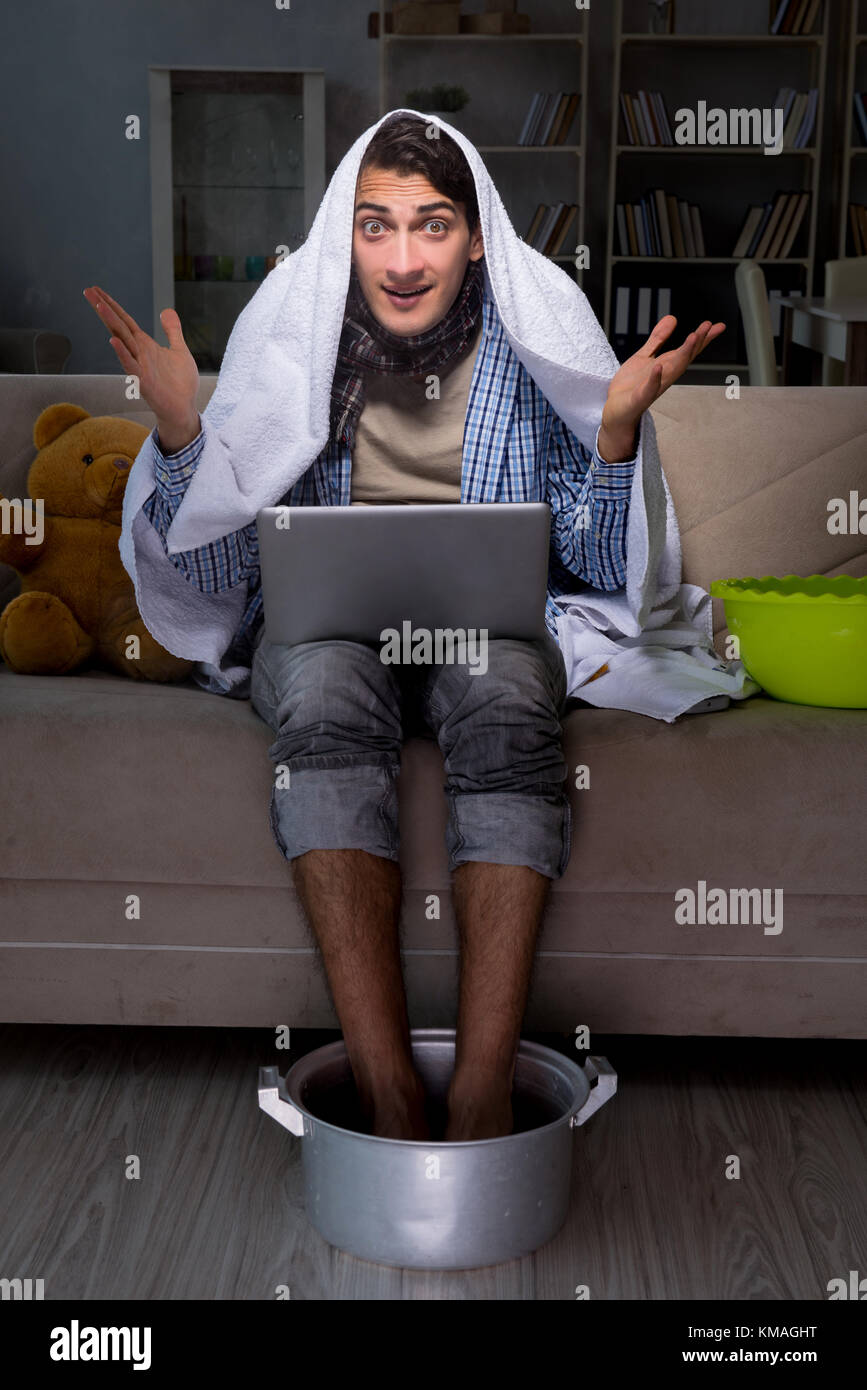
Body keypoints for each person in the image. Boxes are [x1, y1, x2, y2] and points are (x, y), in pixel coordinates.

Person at [84, 113, 723, 1143]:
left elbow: (607, 568)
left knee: (515, 697)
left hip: (484, 635)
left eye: (431, 226)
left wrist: (613, 436)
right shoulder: (297, 341)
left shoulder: (529, 339)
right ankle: (381, 1083)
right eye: (376, 226)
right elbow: (221, 575)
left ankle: (482, 1085)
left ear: (475, 238)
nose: (403, 257)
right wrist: (181, 434)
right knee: (328, 695)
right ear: (346, 234)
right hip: (329, 636)